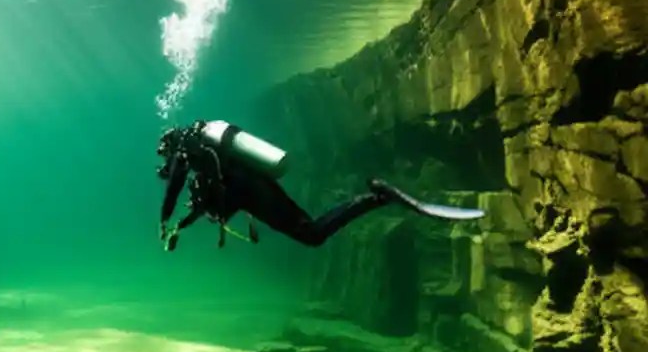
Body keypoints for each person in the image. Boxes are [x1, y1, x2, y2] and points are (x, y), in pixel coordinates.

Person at [155, 119, 484, 251]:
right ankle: (375, 197)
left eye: (167, 160)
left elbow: (180, 188)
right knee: (311, 233)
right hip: (255, 187)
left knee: (312, 234)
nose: (168, 167)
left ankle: (375, 197)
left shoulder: (190, 153)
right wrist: (178, 227)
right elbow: (205, 204)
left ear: (171, 148)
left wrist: (165, 220)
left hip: (254, 191)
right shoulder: (205, 155)